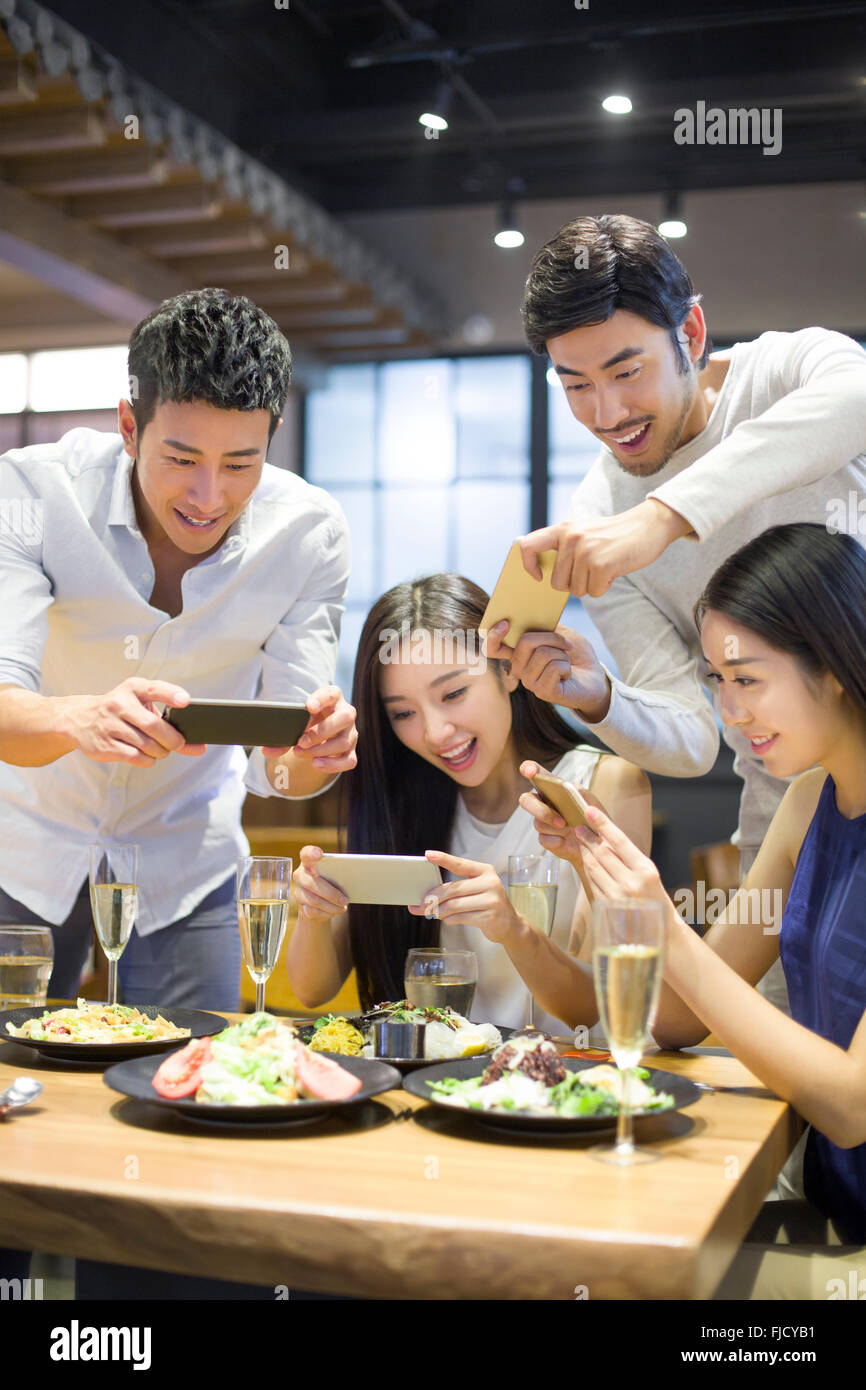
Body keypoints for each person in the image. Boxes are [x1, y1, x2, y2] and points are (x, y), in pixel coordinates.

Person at [490, 212, 866, 1014]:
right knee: (776, 1041)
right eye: (575, 384)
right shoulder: (599, 520)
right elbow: (696, 738)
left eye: (628, 370)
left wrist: (662, 518)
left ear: (689, 330)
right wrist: (596, 696)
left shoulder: (788, 372)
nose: (607, 412)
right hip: (787, 803)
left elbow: (858, 398)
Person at [521, 523, 866, 1291]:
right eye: (716, 679)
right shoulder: (811, 803)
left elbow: (849, 1105)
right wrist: (606, 872)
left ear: (836, 664)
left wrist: (668, 927)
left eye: (747, 678)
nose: (728, 710)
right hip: (826, 1206)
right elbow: (680, 1020)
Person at [0, 288, 358, 1012]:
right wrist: (80, 720)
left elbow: (279, 770)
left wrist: (312, 754)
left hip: (186, 864)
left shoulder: (310, 534)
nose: (207, 495)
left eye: (240, 464)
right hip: (24, 848)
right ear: (130, 426)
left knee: (192, 1093)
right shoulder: (33, 493)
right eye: (183, 456)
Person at [288, 573, 650, 1035]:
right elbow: (312, 989)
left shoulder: (605, 786)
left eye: (454, 694)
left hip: (569, 1084)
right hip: (440, 1081)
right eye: (403, 713)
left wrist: (511, 928)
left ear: (508, 670)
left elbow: (590, 1008)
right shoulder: (403, 800)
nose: (436, 732)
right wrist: (315, 913)